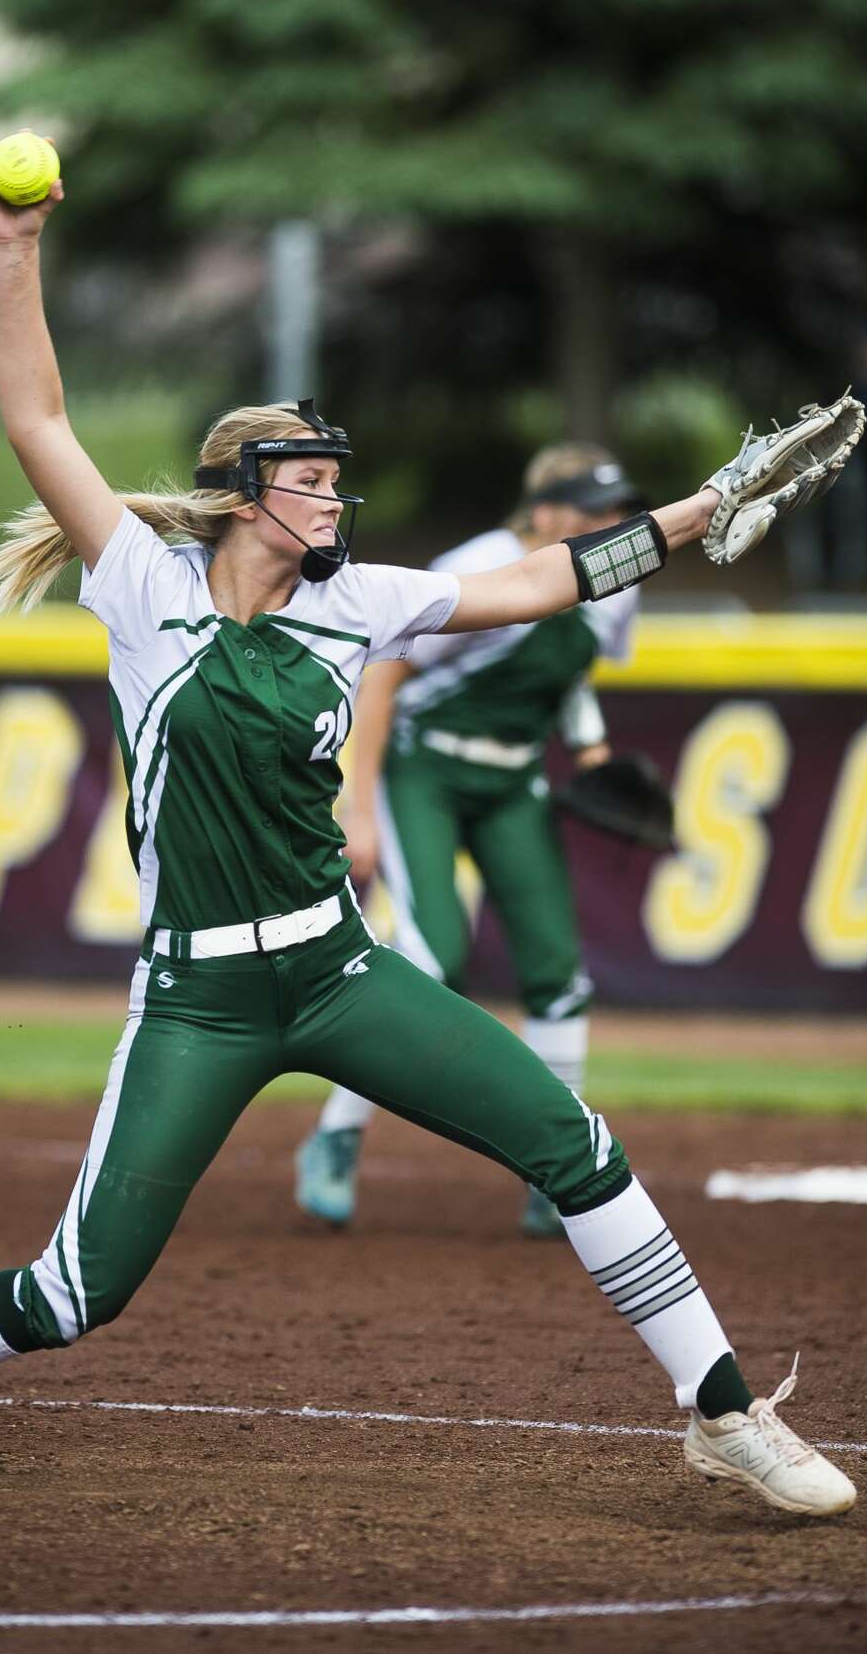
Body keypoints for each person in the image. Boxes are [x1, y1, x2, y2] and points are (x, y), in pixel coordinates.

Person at [0, 165, 856, 1519]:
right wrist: (16, 246)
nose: (334, 501)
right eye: (309, 481)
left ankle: (725, 1411)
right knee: (73, 1290)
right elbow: (37, 417)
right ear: (245, 495)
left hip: (335, 968)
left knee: (577, 1143)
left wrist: (695, 516)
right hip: (200, 998)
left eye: (334, 481)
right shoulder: (143, 585)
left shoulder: (359, 601)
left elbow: (540, 578)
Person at [295, 445, 646, 1239]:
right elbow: (383, 673)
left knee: (558, 970)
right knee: (431, 957)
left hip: (512, 777)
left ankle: (562, 1169)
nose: (611, 522)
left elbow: (571, 673)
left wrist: (591, 751)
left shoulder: (616, 575)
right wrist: (360, 807)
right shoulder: (483, 564)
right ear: (546, 513)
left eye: (617, 509)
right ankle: (337, 1134)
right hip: (425, 768)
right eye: (593, 509)